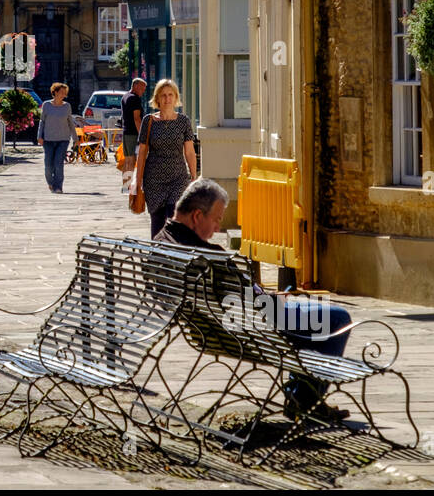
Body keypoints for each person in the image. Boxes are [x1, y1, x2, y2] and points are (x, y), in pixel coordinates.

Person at [156, 178, 352, 422]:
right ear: (196, 216)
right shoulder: (206, 258)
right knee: (338, 319)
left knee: (315, 314)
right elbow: (253, 303)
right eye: (216, 220)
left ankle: (302, 396)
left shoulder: (161, 242)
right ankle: (306, 400)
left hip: (218, 327)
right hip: (255, 327)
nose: (217, 228)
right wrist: (273, 299)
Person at [133, 78, 197, 237]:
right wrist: (137, 180)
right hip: (153, 180)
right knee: (157, 221)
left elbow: (189, 152)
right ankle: (157, 257)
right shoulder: (148, 121)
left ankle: (173, 256)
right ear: (157, 99)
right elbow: (142, 153)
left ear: (176, 98)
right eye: (163, 95)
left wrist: (194, 176)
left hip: (178, 178)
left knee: (173, 218)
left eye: (170, 95)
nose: (167, 99)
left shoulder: (184, 121)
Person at [36, 82, 78, 193]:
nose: (64, 95)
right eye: (62, 92)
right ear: (55, 92)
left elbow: (70, 123)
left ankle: (58, 186)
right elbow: (42, 121)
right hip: (48, 139)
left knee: (58, 164)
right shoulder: (46, 105)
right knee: (48, 165)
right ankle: (50, 183)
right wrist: (39, 136)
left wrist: (75, 139)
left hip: (63, 140)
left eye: (65, 93)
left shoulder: (67, 106)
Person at [121, 77, 146, 172]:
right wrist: (141, 135)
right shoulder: (135, 98)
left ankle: (125, 186)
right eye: (142, 88)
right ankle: (128, 186)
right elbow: (137, 118)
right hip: (133, 133)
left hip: (126, 132)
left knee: (127, 160)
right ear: (135, 85)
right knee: (132, 161)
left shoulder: (125, 96)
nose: (143, 92)